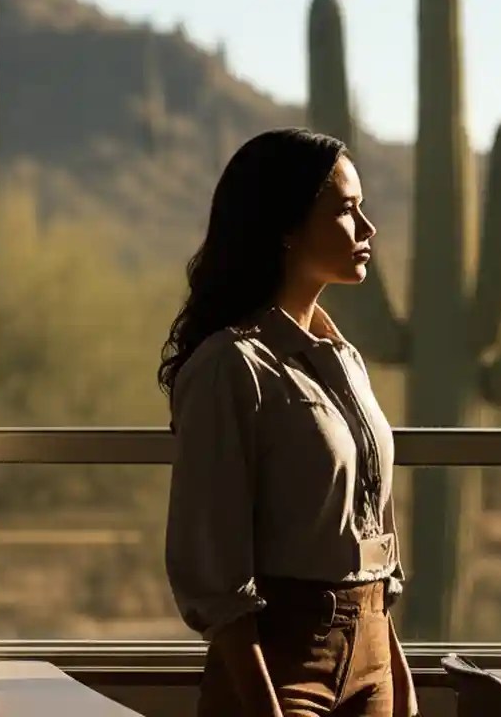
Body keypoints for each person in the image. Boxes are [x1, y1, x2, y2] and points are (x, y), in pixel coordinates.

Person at [158, 128, 418, 717]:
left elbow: (372, 536)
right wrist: (262, 704)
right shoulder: (231, 366)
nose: (367, 229)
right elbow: (213, 562)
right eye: (346, 211)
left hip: (372, 653)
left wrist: (397, 680)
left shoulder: (344, 359)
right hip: (282, 663)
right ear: (285, 227)